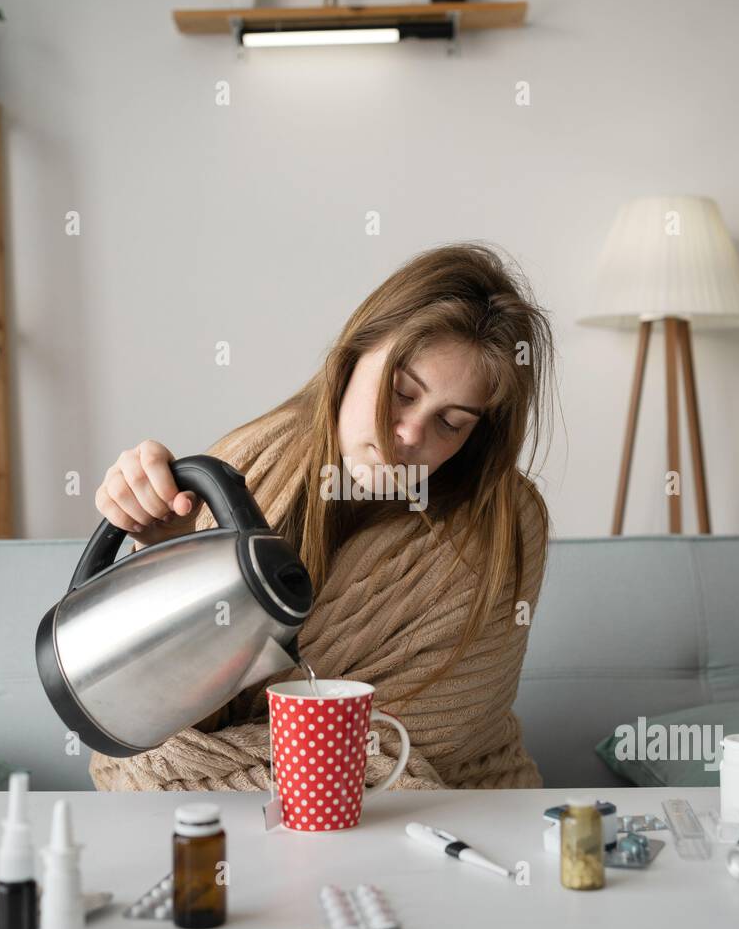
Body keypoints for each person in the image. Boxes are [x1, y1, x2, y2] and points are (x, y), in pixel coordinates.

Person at [88, 241, 556, 791]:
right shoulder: (248, 463)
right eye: (402, 392)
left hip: (455, 817)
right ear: (351, 357)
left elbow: (405, 754)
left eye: (451, 423)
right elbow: (150, 713)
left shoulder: (502, 524)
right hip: (252, 819)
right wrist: (161, 560)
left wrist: (204, 756)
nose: (408, 435)